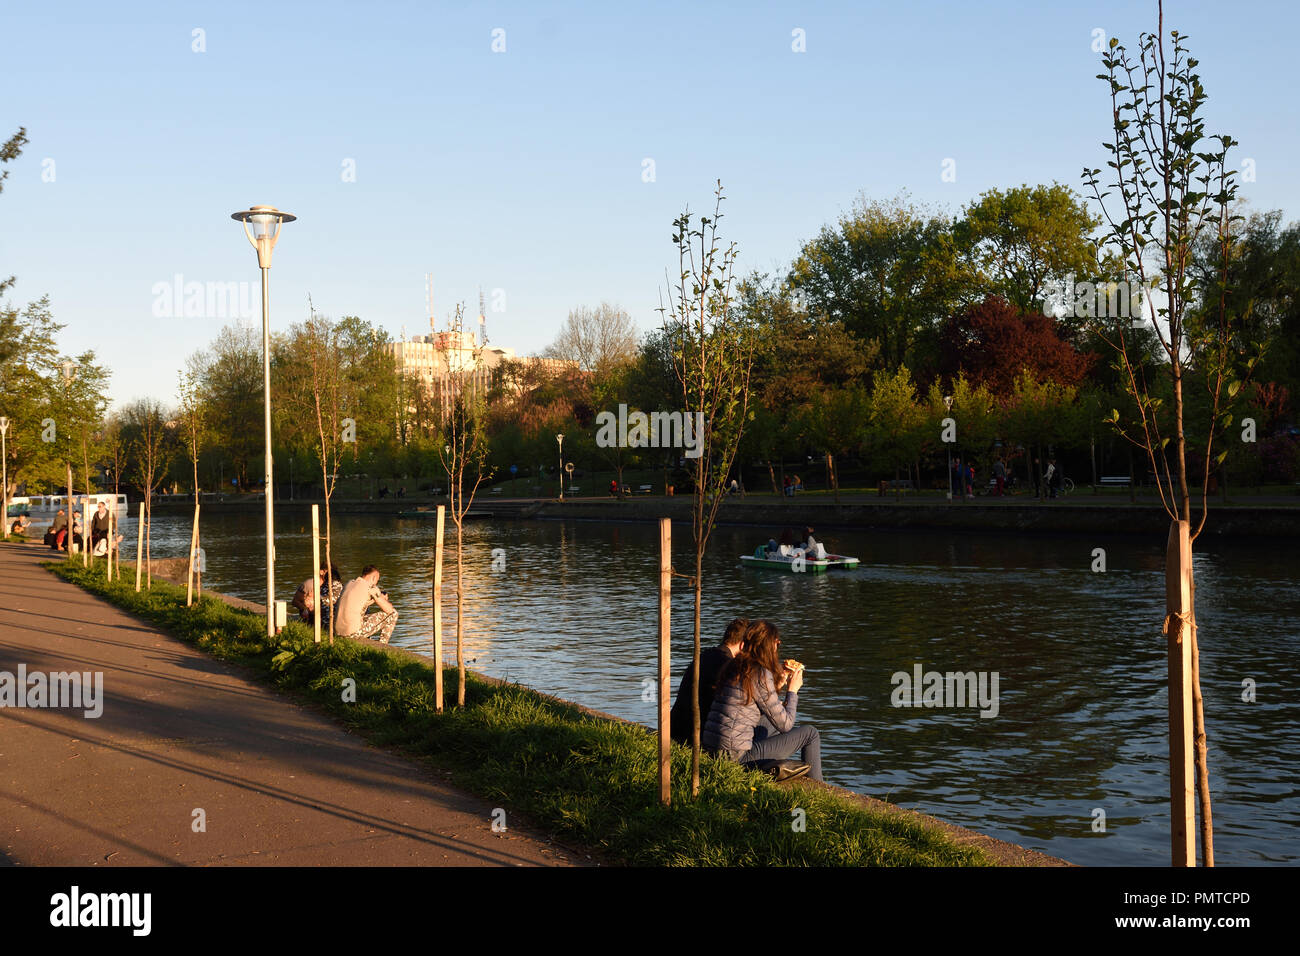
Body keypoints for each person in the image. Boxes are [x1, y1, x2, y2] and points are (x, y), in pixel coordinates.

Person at [702, 620, 822, 782]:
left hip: (713, 750)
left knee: (770, 721)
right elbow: (786, 725)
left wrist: (777, 685)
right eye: (777, 642)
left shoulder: (735, 666)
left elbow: (764, 709)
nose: (777, 646)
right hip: (735, 757)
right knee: (810, 733)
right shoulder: (760, 673)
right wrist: (792, 691)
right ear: (769, 645)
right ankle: (819, 787)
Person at [669, 618, 749, 745]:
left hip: (675, 728)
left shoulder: (705, 655)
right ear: (743, 645)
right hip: (693, 736)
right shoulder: (727, 666)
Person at [335, 565, 398, 643]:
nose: (376, 583)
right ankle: (383, 645)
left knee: (364, 613)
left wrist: (376, 599)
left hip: (337, 632)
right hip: (351, 634)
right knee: (393, 614)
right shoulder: (371, 587)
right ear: (374, 578)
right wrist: (383, 599)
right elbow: (389, 610)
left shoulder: (350, 583)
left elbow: (359, 604)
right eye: (377, 580)